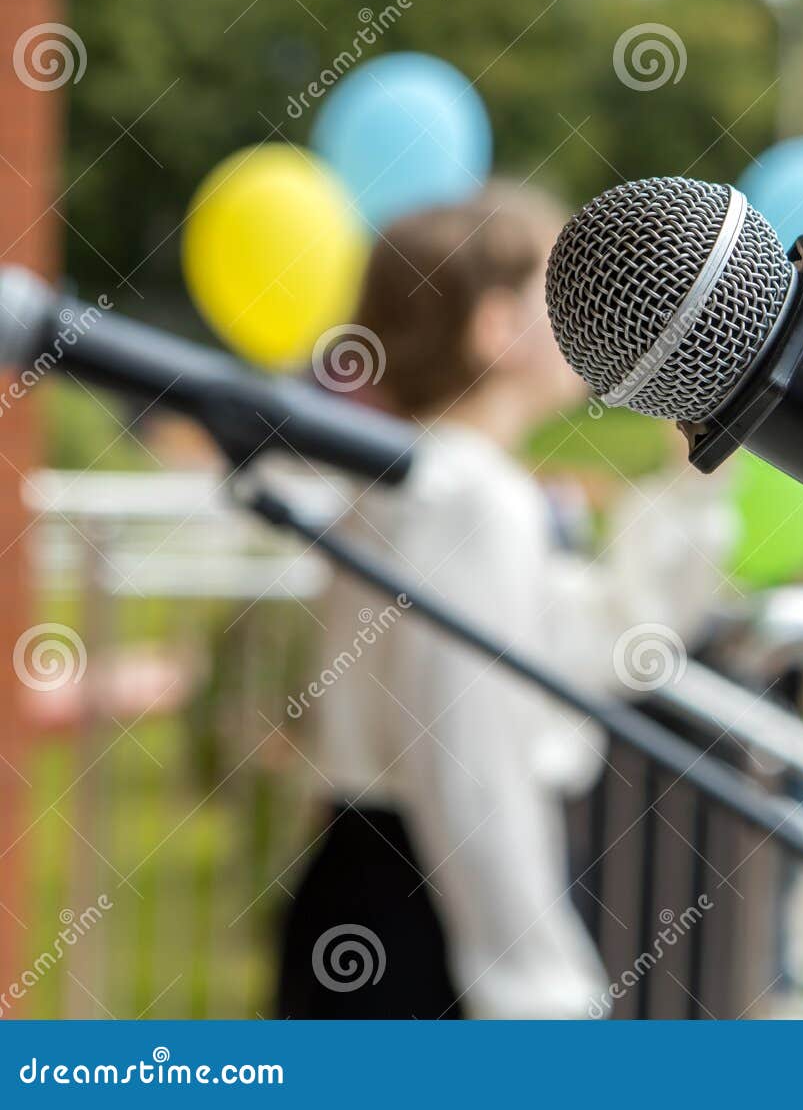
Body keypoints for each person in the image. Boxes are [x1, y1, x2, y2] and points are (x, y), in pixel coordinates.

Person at [276, 185, 734, 1019]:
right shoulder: (473, 502)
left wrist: (688, 487)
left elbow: (590, 640)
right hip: (428, 908)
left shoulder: (426, 480)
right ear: (495, 327)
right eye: (556, 292)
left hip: (384, 889)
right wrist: (538, 988)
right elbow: (471, 767)